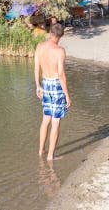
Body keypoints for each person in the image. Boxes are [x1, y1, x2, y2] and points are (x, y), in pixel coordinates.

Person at [34, 23, 72, 161]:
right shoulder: (60, 50)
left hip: (45, 84)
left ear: (50, 33)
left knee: (45, 120)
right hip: (56, 85)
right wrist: (67, 95)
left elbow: (36, 69)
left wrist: (38, 86)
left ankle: (40, 151)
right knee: (55, 122)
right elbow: (61, 74)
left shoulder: (39, 46)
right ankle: (50, 156)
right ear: (60, 36)